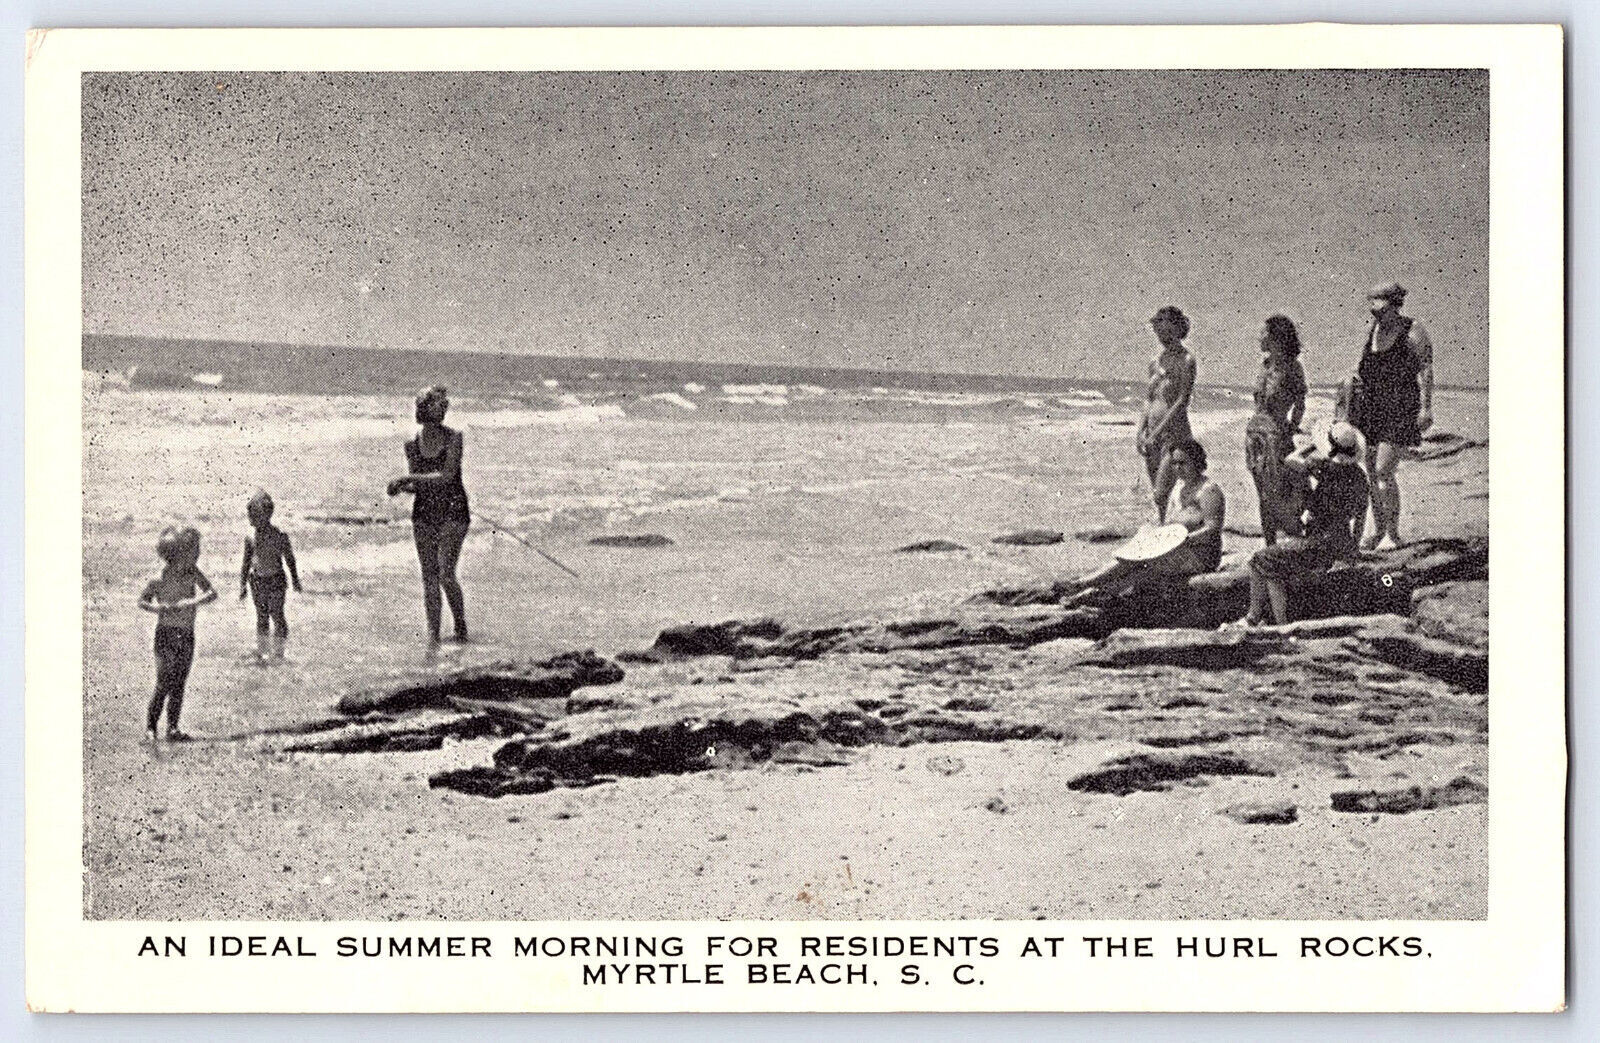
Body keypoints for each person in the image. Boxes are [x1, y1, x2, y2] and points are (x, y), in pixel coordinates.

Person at [1237, 422, 1370, 626]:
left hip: (1320, 542)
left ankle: (1269, 621)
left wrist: (1314, 446)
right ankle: (1268, 620)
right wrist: (1353, 548)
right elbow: (1360, 519)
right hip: (1341, 541)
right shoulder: (1360, 478)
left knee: (1263, 559)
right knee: (1273, 561)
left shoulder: (1326, 468)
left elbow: (1291, 460)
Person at [1067, 439, 1225, 606]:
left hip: (1201, 554)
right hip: (1176, 549)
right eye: (1174, 463)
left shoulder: (1208, 490)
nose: (1178, 468)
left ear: (1196, 461)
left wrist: (1183, 541)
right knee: (1133, 557)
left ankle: (1087, 589)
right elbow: (1168, 524)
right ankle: (1086, 587)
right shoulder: (1179, 487)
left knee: (1145, 565)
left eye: (1183, 463)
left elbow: (1213, 528)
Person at [1348, 281, 1434, 550]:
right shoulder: (1372, 331)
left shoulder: (1413, 329)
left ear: (1395, 303)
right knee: (1371, 473)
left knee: (1384, 471)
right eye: (1371, 304)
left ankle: (1392, 534)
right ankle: (1380, 529)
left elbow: (1426, 370)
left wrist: (1426, 408)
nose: (1374, 310)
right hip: (1371, 409)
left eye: (1379, 304)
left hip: (1400, 408)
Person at [387, 385, 471, 645]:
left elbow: (446, 477)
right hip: (424, 512)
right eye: (422, 405)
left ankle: (459, 626)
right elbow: (419, 484)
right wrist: (401, 487)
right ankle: (433, 636)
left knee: (446, 573)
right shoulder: (411, 444)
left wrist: (408, 478)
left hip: (453, 509)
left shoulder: (454, 438)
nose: (422, 410)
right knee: (429, 576)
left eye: (432, 406)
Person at [137, 525, 217, 741]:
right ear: (179, 553)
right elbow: (142, 601)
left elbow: (211, 593)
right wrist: (159, 608)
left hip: (186, 634)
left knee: (179, 682)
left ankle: (172, 728)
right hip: (165, 634)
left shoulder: (193, 573)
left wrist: (191, 601)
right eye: (195, 551)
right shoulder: (158, 578)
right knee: (163, 682)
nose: (198, 555)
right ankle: (151, 728)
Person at [1244, 315, 1308, 545]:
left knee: (1281, 489)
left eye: (1263, 333)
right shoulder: (1264, 365)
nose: (1259, 337)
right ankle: (1269, 543)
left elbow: (1300, 403)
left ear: (1275, 337)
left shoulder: (1292, 367)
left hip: (1276, 434)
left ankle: (1288, 537)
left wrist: (1291, 427)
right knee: (1262, 491)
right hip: (1255, 434)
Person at [1134, 305, 1197, 523]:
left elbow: (1182, 401)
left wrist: (1157, 432)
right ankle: (1163, 530)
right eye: (1157, 330)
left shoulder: (1186, 360)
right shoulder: (1155, 362)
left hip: (1174, 433)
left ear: (1176, 328)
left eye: (1163, 329)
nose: (1160, 335)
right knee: (1158, 495)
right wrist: (1141, 431)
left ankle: (1178, 526)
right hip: (1152, 431)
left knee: (1162, 491)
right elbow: (1149, 399)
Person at [238, 490, 301, 660]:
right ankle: (262, 650)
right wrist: (242, 585)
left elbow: (290, 560)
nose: (250, 519)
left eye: (254, 515)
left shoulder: (279, 536)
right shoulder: (250, 537)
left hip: (276, 579)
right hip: (256, 580)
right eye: (249, 515)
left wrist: (295, 580)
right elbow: (246, 563)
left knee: (277, 614)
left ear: (267, 514)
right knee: (261, 616)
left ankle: (279, 652)